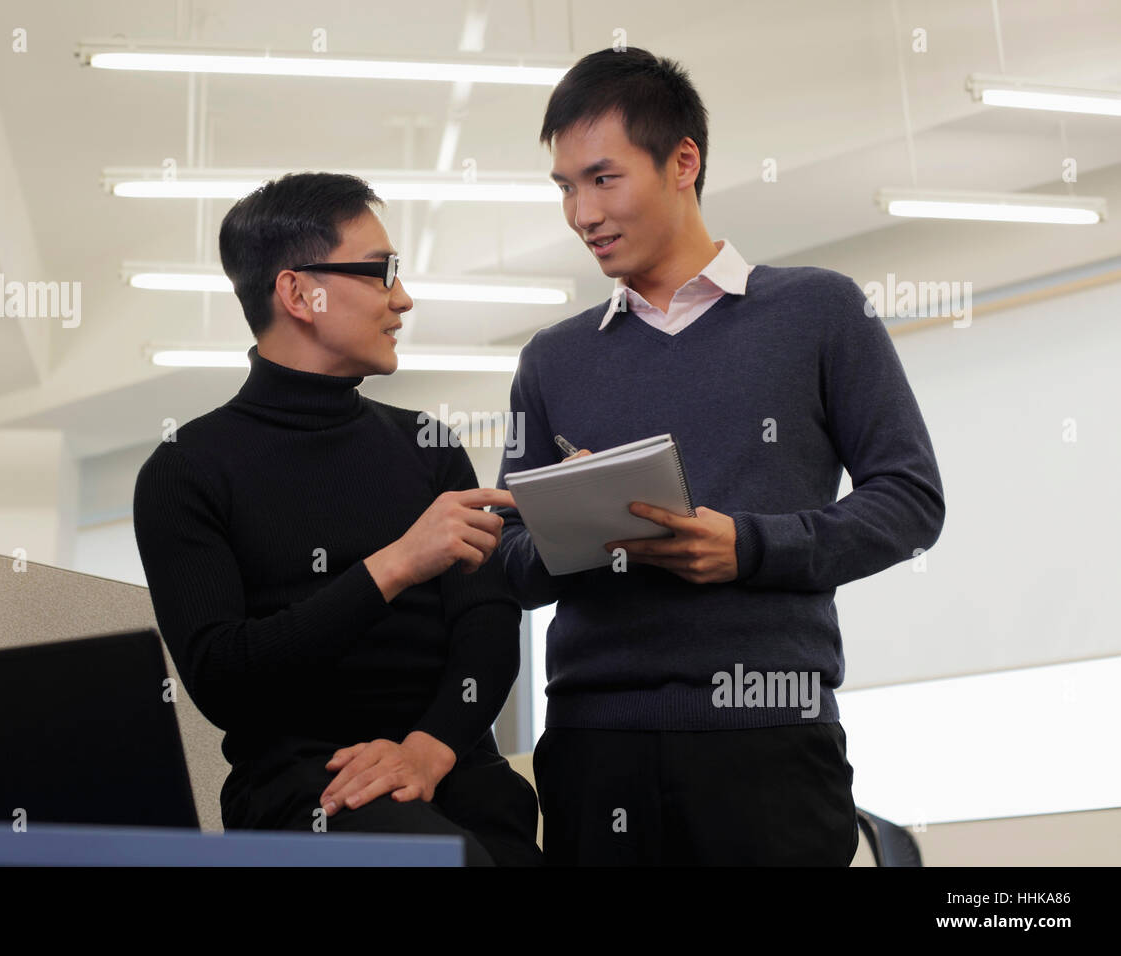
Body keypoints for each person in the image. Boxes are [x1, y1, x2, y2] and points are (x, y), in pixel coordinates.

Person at [492, 48, 946, 865]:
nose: (580, 213)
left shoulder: (819, 312)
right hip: (597, 751)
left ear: (683, 163)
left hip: (768, 739)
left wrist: (749, 548)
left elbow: (910, 503)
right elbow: (512, 565)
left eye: (602, 178)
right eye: (564, 187)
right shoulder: (551, 360)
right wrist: (575, 522)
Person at [133, 171, 542, 866]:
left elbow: (488, 624)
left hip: (452, 771)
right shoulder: (186, 471)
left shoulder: (429, 449)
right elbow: (224, 679)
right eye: (382, 273)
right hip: (312, 793)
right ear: (299, 293)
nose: (403, 300)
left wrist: (426, 750)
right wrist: (394, 566)